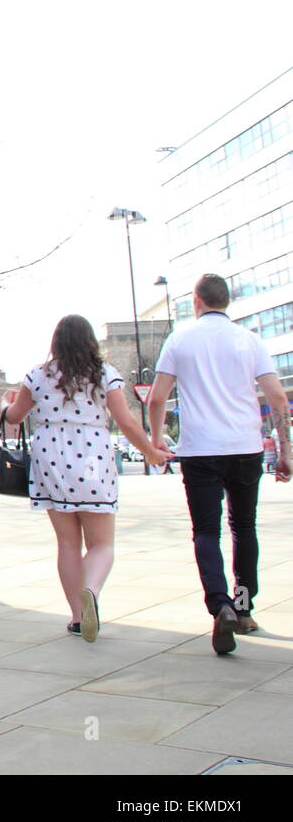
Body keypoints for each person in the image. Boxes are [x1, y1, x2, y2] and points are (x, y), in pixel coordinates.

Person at [147, 274, 291, 655]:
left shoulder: (179, 340)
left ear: (197, 301)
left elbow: (157, 397)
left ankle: (220, 604)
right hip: (245, 448)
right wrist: (285, 451)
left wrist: (157, 440)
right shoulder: (250, 340)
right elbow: (277, 397)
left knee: (206, 531)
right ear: (226, 301)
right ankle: (243, 609)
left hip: (200, 452)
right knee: (244, 527)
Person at [5, 315, 164, 643]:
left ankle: (78, 618)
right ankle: (90, 590)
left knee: (66, 543)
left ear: (56, 342)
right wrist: (150, 451)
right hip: (91, 455)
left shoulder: (37, 375)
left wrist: (6, 405)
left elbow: (15, 417)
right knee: (102, 544)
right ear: (90, 341)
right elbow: (126, 422)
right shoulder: (105, 375)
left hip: (50, 456)